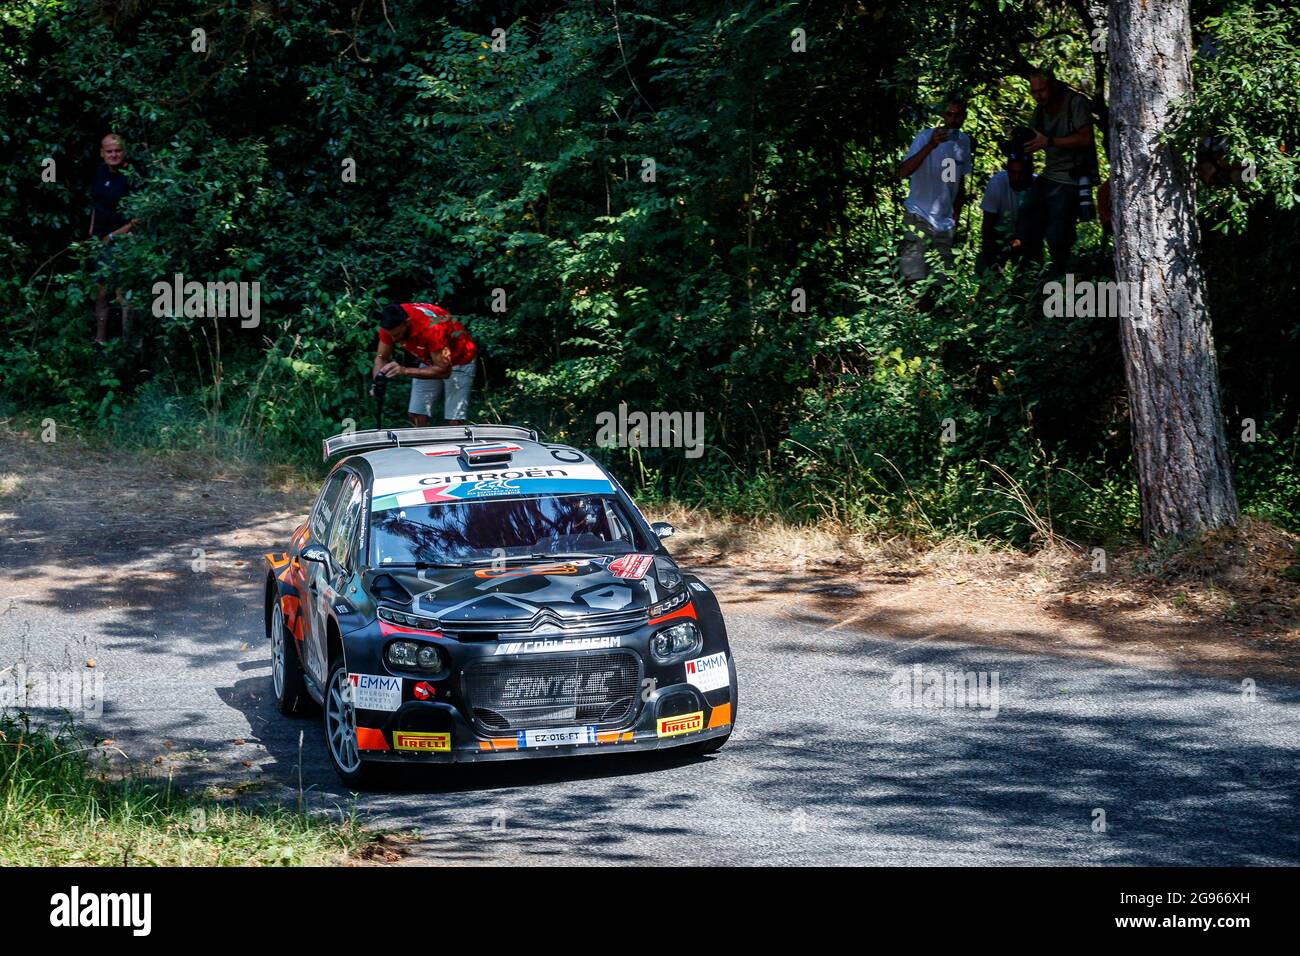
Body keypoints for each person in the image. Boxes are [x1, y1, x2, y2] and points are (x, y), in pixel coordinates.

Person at [1021, 68, 1095, 270]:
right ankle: (1032, 276)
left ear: (1053, 85)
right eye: (1034, 92)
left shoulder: (1075, 103)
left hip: (1072, 177)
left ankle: (1062, 277)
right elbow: (1032, 136)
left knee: (1058, 236)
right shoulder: (1041, 110)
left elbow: (1085, 138)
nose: (1039, 96)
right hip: (1049, 175)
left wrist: (1050, 141)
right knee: (1027, 220)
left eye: (1042, 90)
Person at [896, 98, 972, 282]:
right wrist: (931, 146)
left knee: (939, 284)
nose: (953, 120)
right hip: (919, 216)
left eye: (957, 115)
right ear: (942, 115)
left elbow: (955, 180)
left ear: (964, 116)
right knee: (913, 280)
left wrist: (955, 217)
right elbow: (903, 172)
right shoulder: (924, 137)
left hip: (944, 223)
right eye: (949, 114)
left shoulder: (962, 141)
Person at [372, 302, 477, 426]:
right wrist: (377, 383)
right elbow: (381, 357)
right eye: (391, 335)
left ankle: (456, 443)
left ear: (407, 322)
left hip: (459, 360)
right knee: (416, 415)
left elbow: (445, 371)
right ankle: (424, 444)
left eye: (397, 335)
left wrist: (404, 371)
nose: (394, 340)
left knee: (454, 421)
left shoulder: (430, 329)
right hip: (429, 360)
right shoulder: (390, 325)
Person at [89, 133, 138, 343]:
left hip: (123, 242)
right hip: (99, 242)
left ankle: (128, 344)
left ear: (124, 152)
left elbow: (139, 217)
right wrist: (91, 236)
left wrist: (112, 236)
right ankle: (100, 341)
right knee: (100, 293)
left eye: (118, 150)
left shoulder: (132, 175)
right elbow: (96, 205)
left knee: (122, 294)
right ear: (102, 153)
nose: (114, 154)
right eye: (109, 151)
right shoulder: (99, 172)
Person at [977, 138, 1038, 272]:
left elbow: (1040, 224)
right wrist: (990, 256)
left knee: (1030, 274)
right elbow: (987, 224)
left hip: (1027, 240)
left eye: (1021, 173)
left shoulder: (1038, 186)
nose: (1016, 178)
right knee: (988, 272)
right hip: (999, 237)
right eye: (1012, 172)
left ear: (1029, 171)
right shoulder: (997, 184)